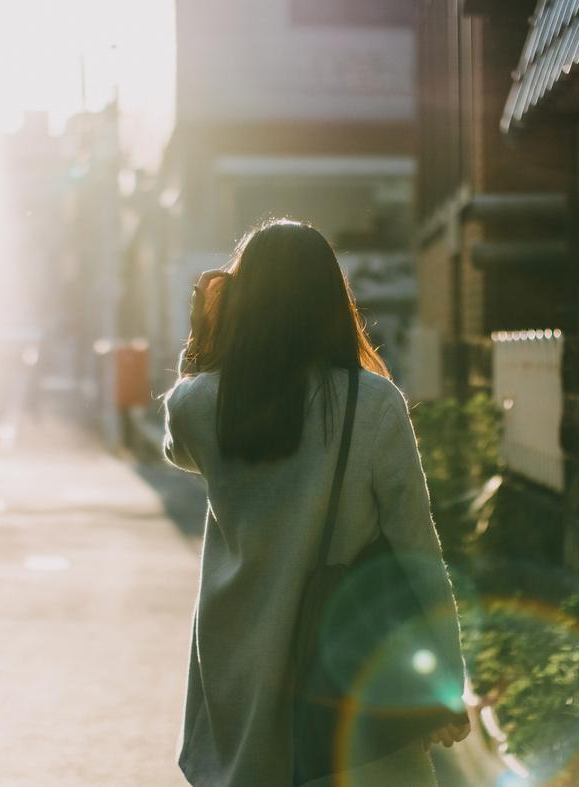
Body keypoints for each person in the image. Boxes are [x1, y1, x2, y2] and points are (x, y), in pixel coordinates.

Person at [162, 220, 470, 787]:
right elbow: (417, 549)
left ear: (242, 300)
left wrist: (204, 337)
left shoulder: (197, 403)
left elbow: (178, 450)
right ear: (333, 300)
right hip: (343, 675)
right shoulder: (372, 403)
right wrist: (448, 680)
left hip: (237, 662)